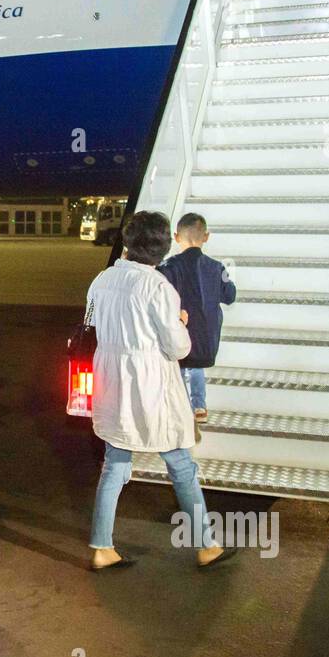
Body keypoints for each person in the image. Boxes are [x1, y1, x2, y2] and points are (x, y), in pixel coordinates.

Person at [85, 211, 231, 571]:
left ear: (127, 241)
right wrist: (181, 322)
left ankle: (102, 546)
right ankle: (206, 545)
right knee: (180, 462)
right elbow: (178, 349)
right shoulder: (158, 287)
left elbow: (90, 321)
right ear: (163, 248)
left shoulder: (102, 280)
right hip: (150, 385)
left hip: (111, 379)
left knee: (115, 463)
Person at [157, 213, 237, 427]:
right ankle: (199, 407)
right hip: (206, 335)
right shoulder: (218, 267)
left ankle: (183, 408)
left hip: (180, 328)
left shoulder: (167, 267)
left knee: (179, 367)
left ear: (176, 236)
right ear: (206, 236)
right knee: (196, 367)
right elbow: (230, 296)